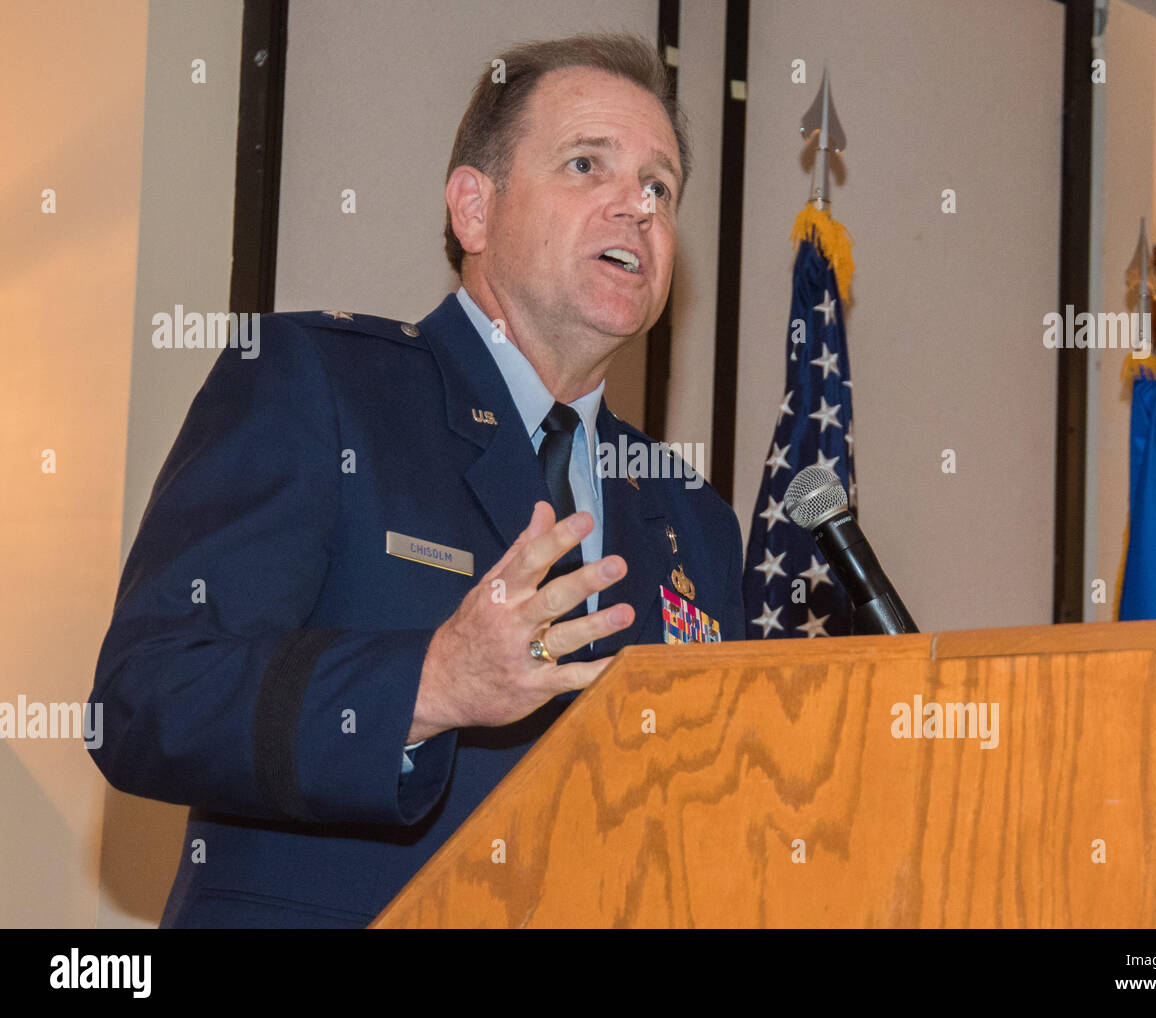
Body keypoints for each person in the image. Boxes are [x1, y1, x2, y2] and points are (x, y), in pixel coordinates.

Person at [89, 32, 745, 928]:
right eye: (588, 164)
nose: (636, 205)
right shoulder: (321, 386)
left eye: (659, 187)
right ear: (474, 210)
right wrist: (430, 683)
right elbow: (147, 697)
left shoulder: (693, 517)